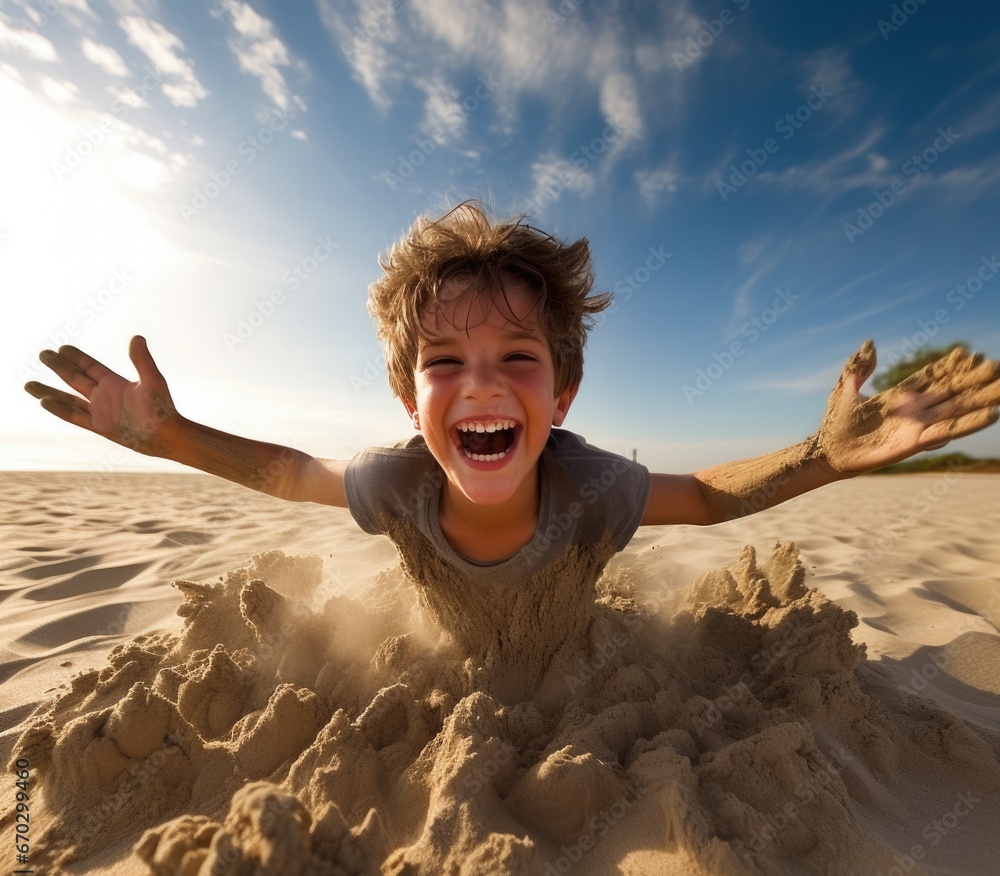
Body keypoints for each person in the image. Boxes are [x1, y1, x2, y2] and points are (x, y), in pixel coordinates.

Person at [24, 202, 1000, 589]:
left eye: (517, 358)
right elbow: (284, 471)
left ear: (564, 391)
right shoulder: (396, 481)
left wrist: (822, 455)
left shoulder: (588, 489)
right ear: (409, 398)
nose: (480, 382)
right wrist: (171, 434)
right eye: (443, 360)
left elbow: (705, 496)